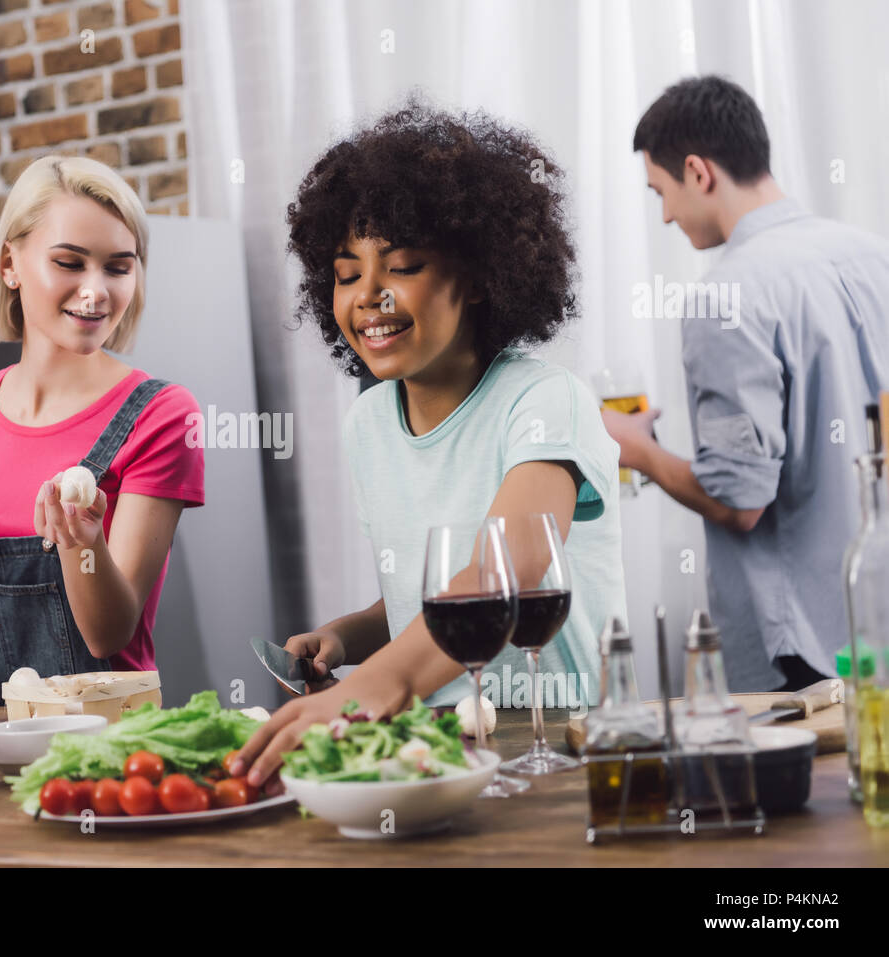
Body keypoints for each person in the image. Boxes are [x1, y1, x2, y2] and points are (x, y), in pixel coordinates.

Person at [236, 101, 626, 785]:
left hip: (557, 746)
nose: (369, 297)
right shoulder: (368, 424)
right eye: (348, 274)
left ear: (477, 277)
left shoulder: (543, 401)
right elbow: (435, 596)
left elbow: (507, 571)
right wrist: (353, 636)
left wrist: (369, 687)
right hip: (443, 752)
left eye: (402, 265)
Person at [0, 156, 205, 706]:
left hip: (103, 746)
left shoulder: (161, 415)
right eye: (70, 263)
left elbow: (109, 634)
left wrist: (83, 545)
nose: (96, 290)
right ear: (11, 265)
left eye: (118, 268)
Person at [603, 75, 889, 692]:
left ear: (699, 172)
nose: (665, 215)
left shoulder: (722, 300)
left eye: (662, 192)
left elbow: (740, 502)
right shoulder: (877, 256)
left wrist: (636, 450)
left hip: (807, 655)